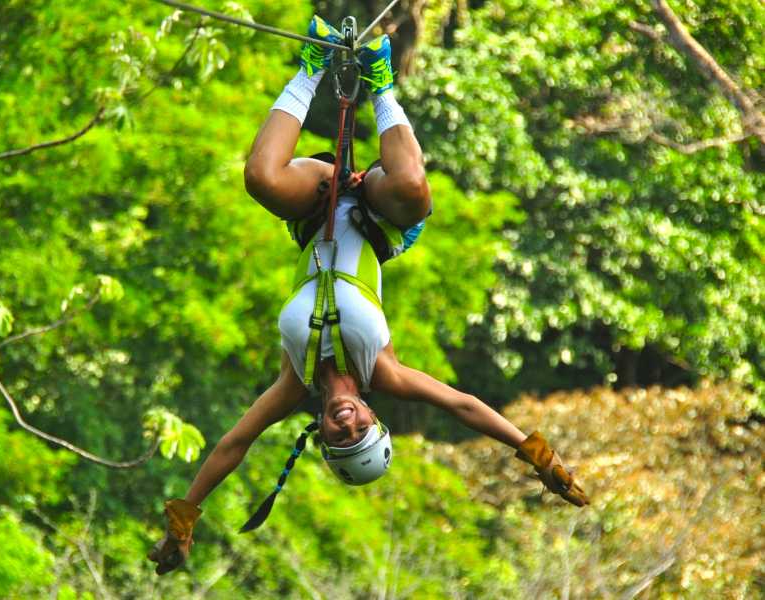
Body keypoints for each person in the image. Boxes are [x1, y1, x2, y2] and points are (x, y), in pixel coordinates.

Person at [148, 16, 588, 576]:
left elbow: (234, 445)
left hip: (316, 208)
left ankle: (311, 68)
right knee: (413, 187)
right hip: (382, 218)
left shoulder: (293, 382)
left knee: (259, 178)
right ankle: (381, 83)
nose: (348, 423)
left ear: (324, 437)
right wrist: (537, 457)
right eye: (362, 430)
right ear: (373, 417)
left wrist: (184, 518)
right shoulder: (384, 371)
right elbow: (463, 405)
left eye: (342, 437)